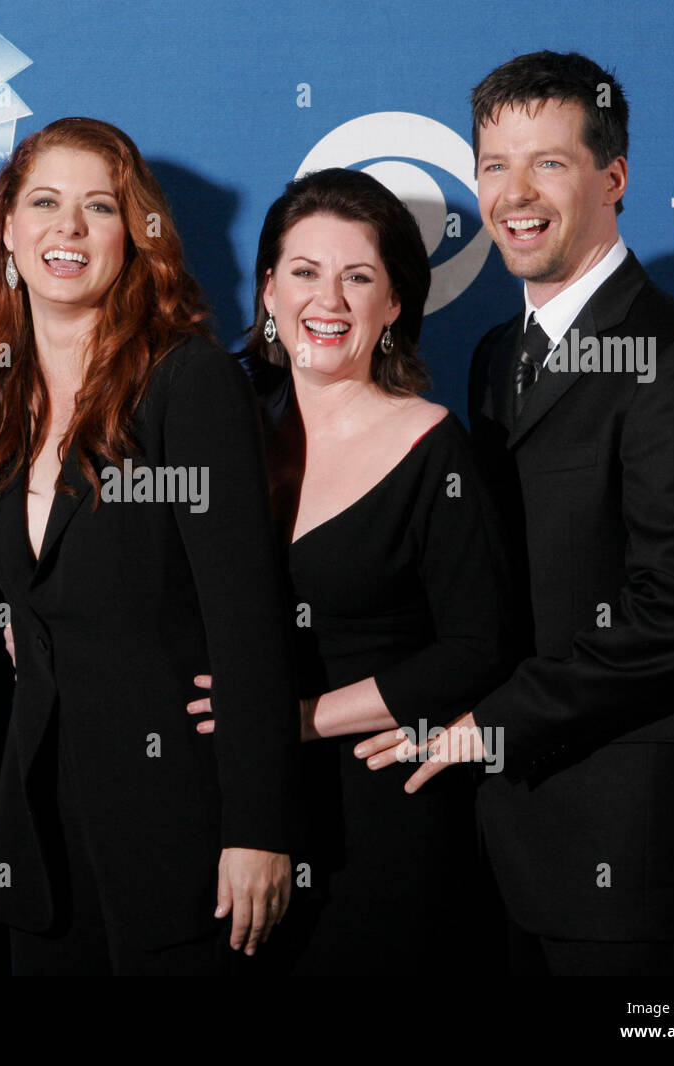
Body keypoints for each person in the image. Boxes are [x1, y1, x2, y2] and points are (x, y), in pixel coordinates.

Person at [362, 51, 674, 976]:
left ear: (613, 177)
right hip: (496, 836)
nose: (514, 193)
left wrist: (490, 723)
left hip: (624, 833)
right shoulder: (498, 353)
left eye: (549, 162)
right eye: (495, 165)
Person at [0, 116, 302, 975]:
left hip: (179, 840)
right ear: (7, 226)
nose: (66, 229)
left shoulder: (188, 383)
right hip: (37, 839)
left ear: (136, 234)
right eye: (43, 202)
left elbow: (247, 618)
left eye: (98, 207)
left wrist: (258, 831)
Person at [193, 168, 512, 974]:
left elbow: (481, 644)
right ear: (268, 290)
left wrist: (301, 717)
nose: (326, 300)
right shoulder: (218, 434)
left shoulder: (434, 445)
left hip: (382, 814)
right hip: (223, 809)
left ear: (394, 303)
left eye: (358, 277)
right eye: (304, 273)